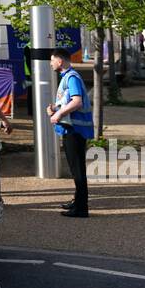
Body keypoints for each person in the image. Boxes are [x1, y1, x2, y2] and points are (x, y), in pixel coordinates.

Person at [49, 48, 93, 218]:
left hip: (76, 129)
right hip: (72, 129)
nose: (51, 63)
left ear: (60, 61)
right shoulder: (68, 77)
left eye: (52, 60)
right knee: (76, 169)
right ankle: (77, 201)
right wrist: (55, 108)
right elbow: (67, 100)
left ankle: (81, 208)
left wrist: (59, 114)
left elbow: (77, 101)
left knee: (78, 170)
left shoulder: (72, 77)